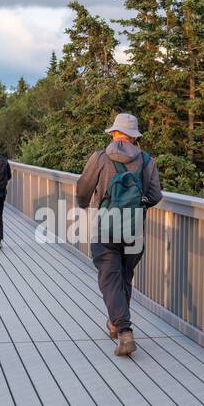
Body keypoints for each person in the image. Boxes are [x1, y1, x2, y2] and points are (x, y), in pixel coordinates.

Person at [75, 112, 162, 356]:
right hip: (134, 230)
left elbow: (83, 189)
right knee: (123, 276)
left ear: (114, 133)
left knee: (109, 277)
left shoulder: (100, 158)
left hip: (106, 227)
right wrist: (138, 205)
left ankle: (124, 332)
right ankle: (115, 323)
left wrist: (83, 205)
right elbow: (155, 195)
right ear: (134, 137)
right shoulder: (146, 161)